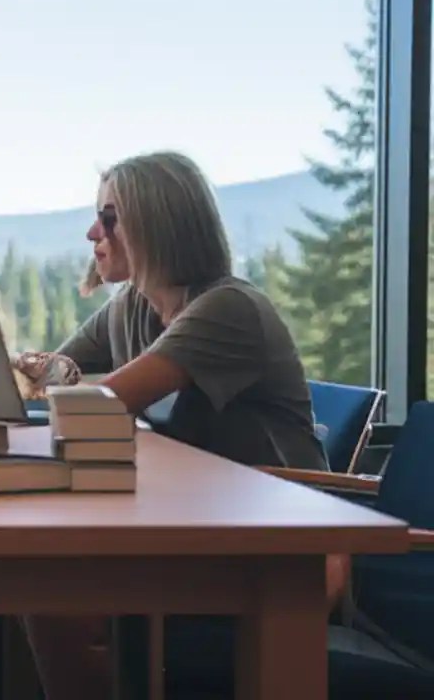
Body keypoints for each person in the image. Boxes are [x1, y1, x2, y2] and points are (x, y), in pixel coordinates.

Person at [22, 150, 339, 699]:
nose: (94, 233)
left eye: (110, 218)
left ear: (159, 225)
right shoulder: (132, 308)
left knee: (55, 592)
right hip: (205, 523)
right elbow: (57, 372)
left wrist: (40, 379)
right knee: (41, 584)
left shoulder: (229, 309)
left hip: (282, 547)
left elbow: (102, 401)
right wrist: (19, 370)